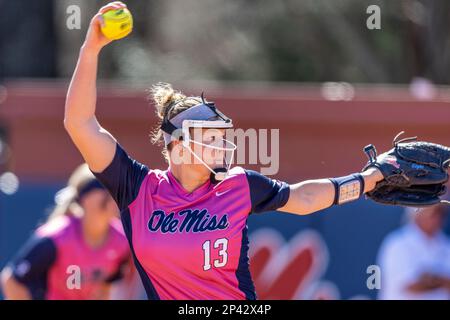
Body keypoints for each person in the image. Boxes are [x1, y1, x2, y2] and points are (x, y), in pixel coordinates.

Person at [63, 1, 385, 299]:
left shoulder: (238, 185)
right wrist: (91, 49)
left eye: (221, 136)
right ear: (178, 146)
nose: (220, 146)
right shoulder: (137, 188)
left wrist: (369, 179)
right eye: (209, 137)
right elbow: (79, 123)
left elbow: (305, 198)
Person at [0, 164, 132, 300]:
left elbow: (107, 286)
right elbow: (11, 280)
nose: (113, 194)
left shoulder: (122, 240)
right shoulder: (56, 237)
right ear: (84, 198)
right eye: (105, 187)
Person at [377, 204, 450, 300]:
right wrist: (442, 281)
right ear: (417, 215)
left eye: (441, 213)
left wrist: (430, 278)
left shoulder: (446, 244)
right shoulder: (397, 243)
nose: (437, 218)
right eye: (432, 214)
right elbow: (410, 285)